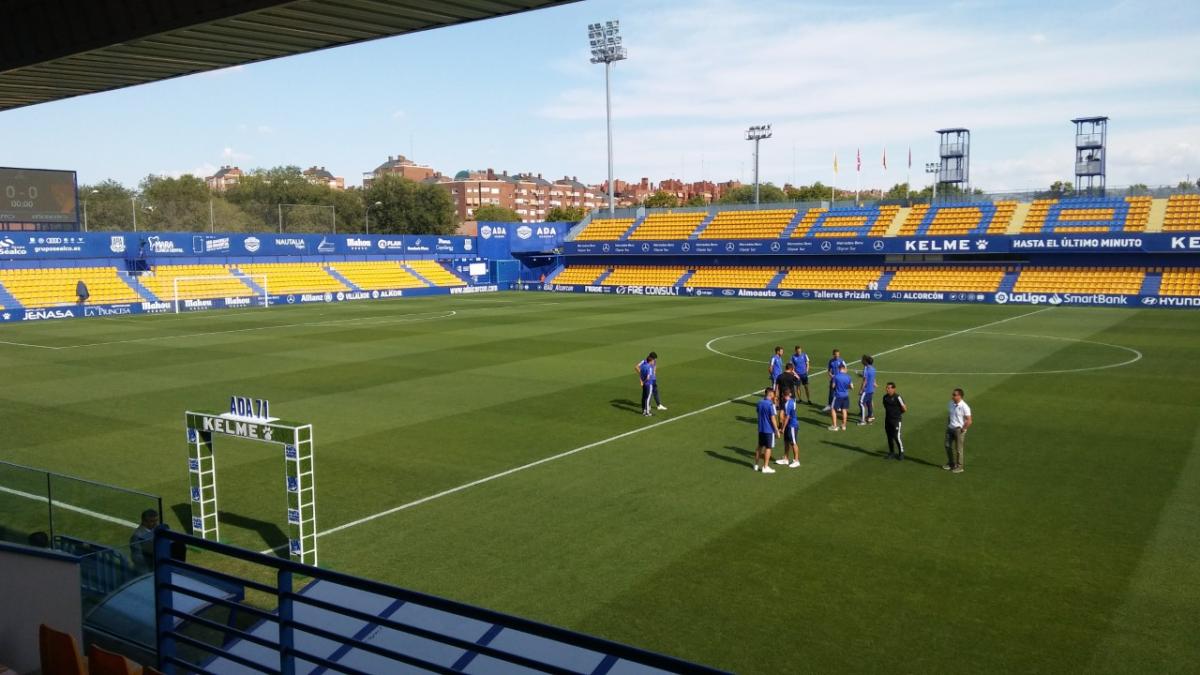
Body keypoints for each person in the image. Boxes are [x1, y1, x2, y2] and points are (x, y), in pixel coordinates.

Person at [943, 388, 973, 473]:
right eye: (952, 394)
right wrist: (949, 424)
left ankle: (960, 467)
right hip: (950, 428)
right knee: (947, 446)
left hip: (959, 430)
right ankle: (951, 463)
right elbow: (950, 415)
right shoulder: (950, 403)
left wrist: (963, 429)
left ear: (960, 396)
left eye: (954, 395)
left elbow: (969, 420)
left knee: (959, 449)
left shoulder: (964, 406)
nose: (952, 396)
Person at [754, 388, 780, 474]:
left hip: (761, 429)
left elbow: (758, 412)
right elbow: (773, 419)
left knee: (759, 447)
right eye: (773, 394)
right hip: (769, 430)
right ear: (770, 394)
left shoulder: (759, 403)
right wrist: (776, 430)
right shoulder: (770, 405)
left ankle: (756, 465)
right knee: (768, 448)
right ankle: (765, 467)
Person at [774, 389, 801, 468]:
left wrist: (783, 428)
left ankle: (796, 460)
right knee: (786, 441)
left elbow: (787, 417)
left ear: (783, 395)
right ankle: (785, 459)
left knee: (793, 443)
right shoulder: (791, 401)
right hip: (789, 425)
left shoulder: (788, 404)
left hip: (792, 426)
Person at [882, 382, 907, 460]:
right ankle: (891, 452)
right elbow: (885, 407)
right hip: (887, 420)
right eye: (886, 388)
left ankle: (901, 453)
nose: (887, 389)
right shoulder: (885, 397)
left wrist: (897, 414)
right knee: (889, 437)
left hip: (896, 420)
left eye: (889, 388)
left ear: (893, 389)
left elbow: (904, 408)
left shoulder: (897, 397)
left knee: (896, 436)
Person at [829, 364, 854, 431]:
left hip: (838, 396)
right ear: (844, 368)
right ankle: (843, 426)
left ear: (839, 369)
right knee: (844, 410)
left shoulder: (836, 376)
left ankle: (835, 426)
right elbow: (852, 387)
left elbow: (833, 386)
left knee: (833, 409)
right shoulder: (848, 377)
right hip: (846, 395)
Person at [857, 355, 877, 425]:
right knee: (869, 403)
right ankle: (870, 416)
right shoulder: (873, 369)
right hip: (871, 390)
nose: (861, 361)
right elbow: (873, 378)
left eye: (862, 360)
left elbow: (864, 381)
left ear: (866, 361)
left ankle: (863, 421)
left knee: (861, 403)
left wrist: (861, 390)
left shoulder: (867, 370)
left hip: (866, 390)